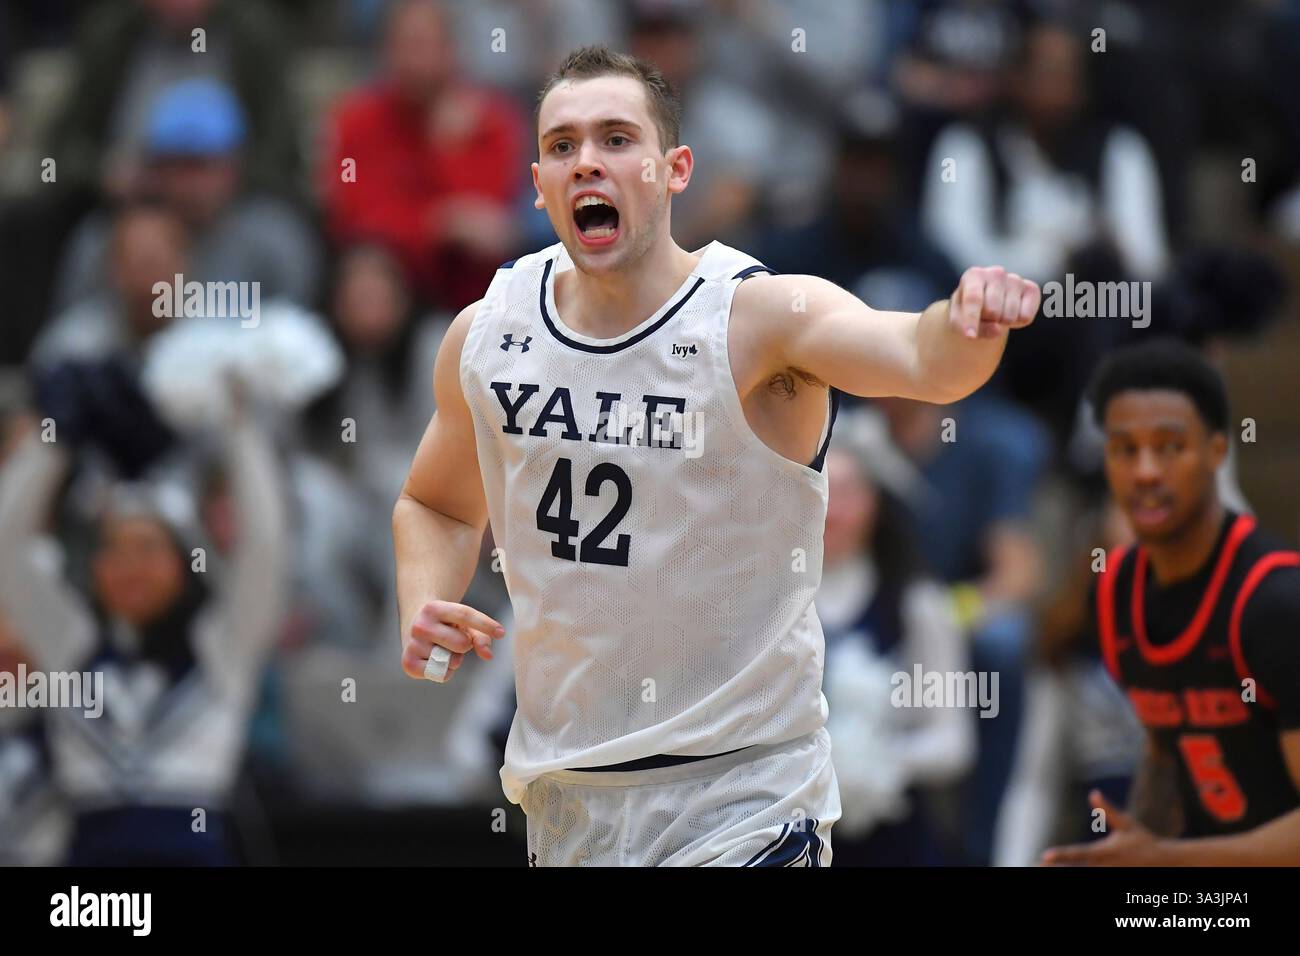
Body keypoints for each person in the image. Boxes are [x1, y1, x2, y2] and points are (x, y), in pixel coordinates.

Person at [391, 45, 1041, 867]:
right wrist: (424, 598)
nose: (588, 161)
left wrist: (968, 317)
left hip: (745, 797)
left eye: (617, 139)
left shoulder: (760, 319)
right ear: (538, 182)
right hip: (572, 800)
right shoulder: (489, 333)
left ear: (675, 169)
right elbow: (437, 505)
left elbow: (919, 356)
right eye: (563, 146)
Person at [0, 388, 288, 866]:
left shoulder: (223, 645)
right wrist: (52, 443)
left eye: (149, 549)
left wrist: (239, 424)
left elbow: (267, 545)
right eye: (115, 550)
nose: (130, 567)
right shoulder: (70, 645)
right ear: (93, 567)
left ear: (184, 564)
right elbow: (8, 545)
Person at [1044, 341, 1300, 865]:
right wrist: (1134, 851)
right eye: (1124, 448)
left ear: (1217, 450)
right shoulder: (1116, 588)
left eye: (1168, 447)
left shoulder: (1276, 603)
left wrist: (1167, 861)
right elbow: (1166, 752)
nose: (1145, 472)